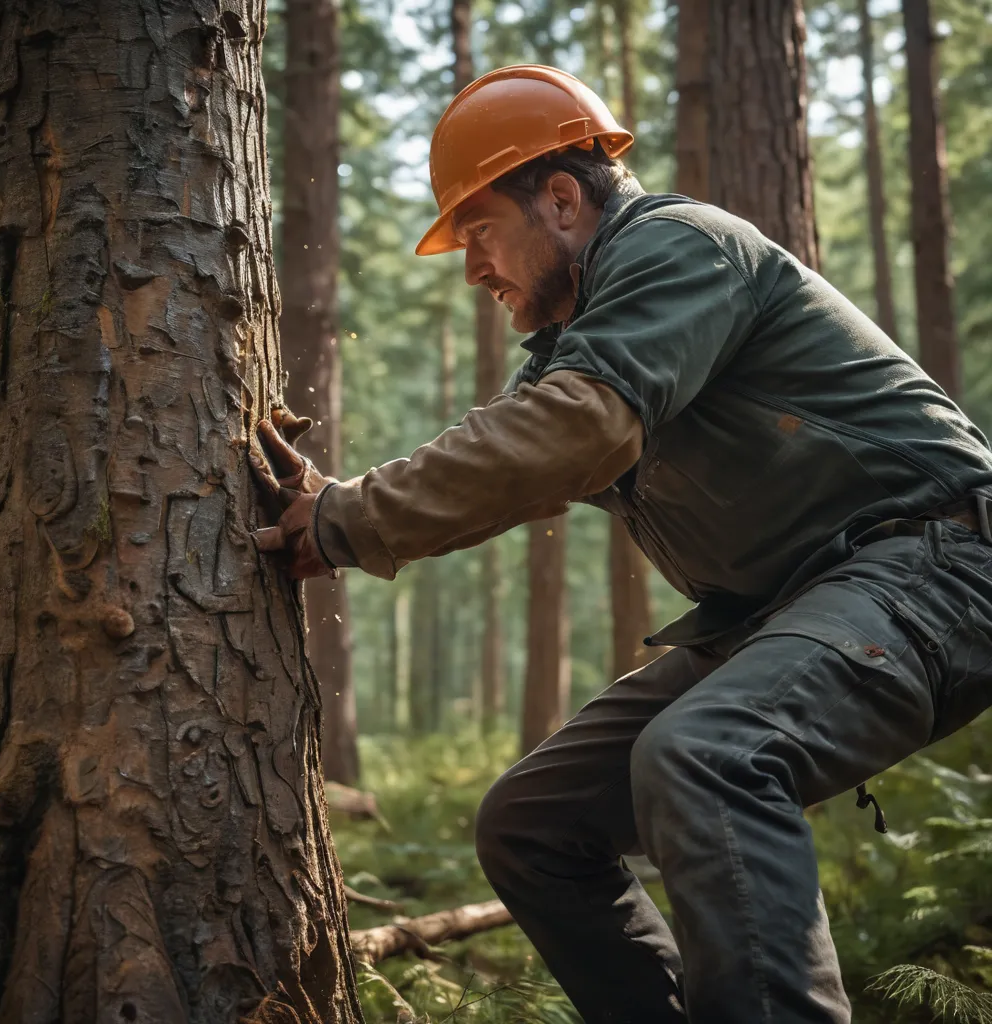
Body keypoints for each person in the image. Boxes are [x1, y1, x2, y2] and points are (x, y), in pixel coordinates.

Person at [250, 65, 992, 1024]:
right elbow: (514, 462)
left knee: (708, 754)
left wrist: (345, 517)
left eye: (478, 231)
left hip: (936, 563)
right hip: (803, 603)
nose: (474, 268)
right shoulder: (579, 343)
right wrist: (334, 521)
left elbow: (571, 433)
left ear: (560, 198)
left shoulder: (679, 248)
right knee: (534, 825)